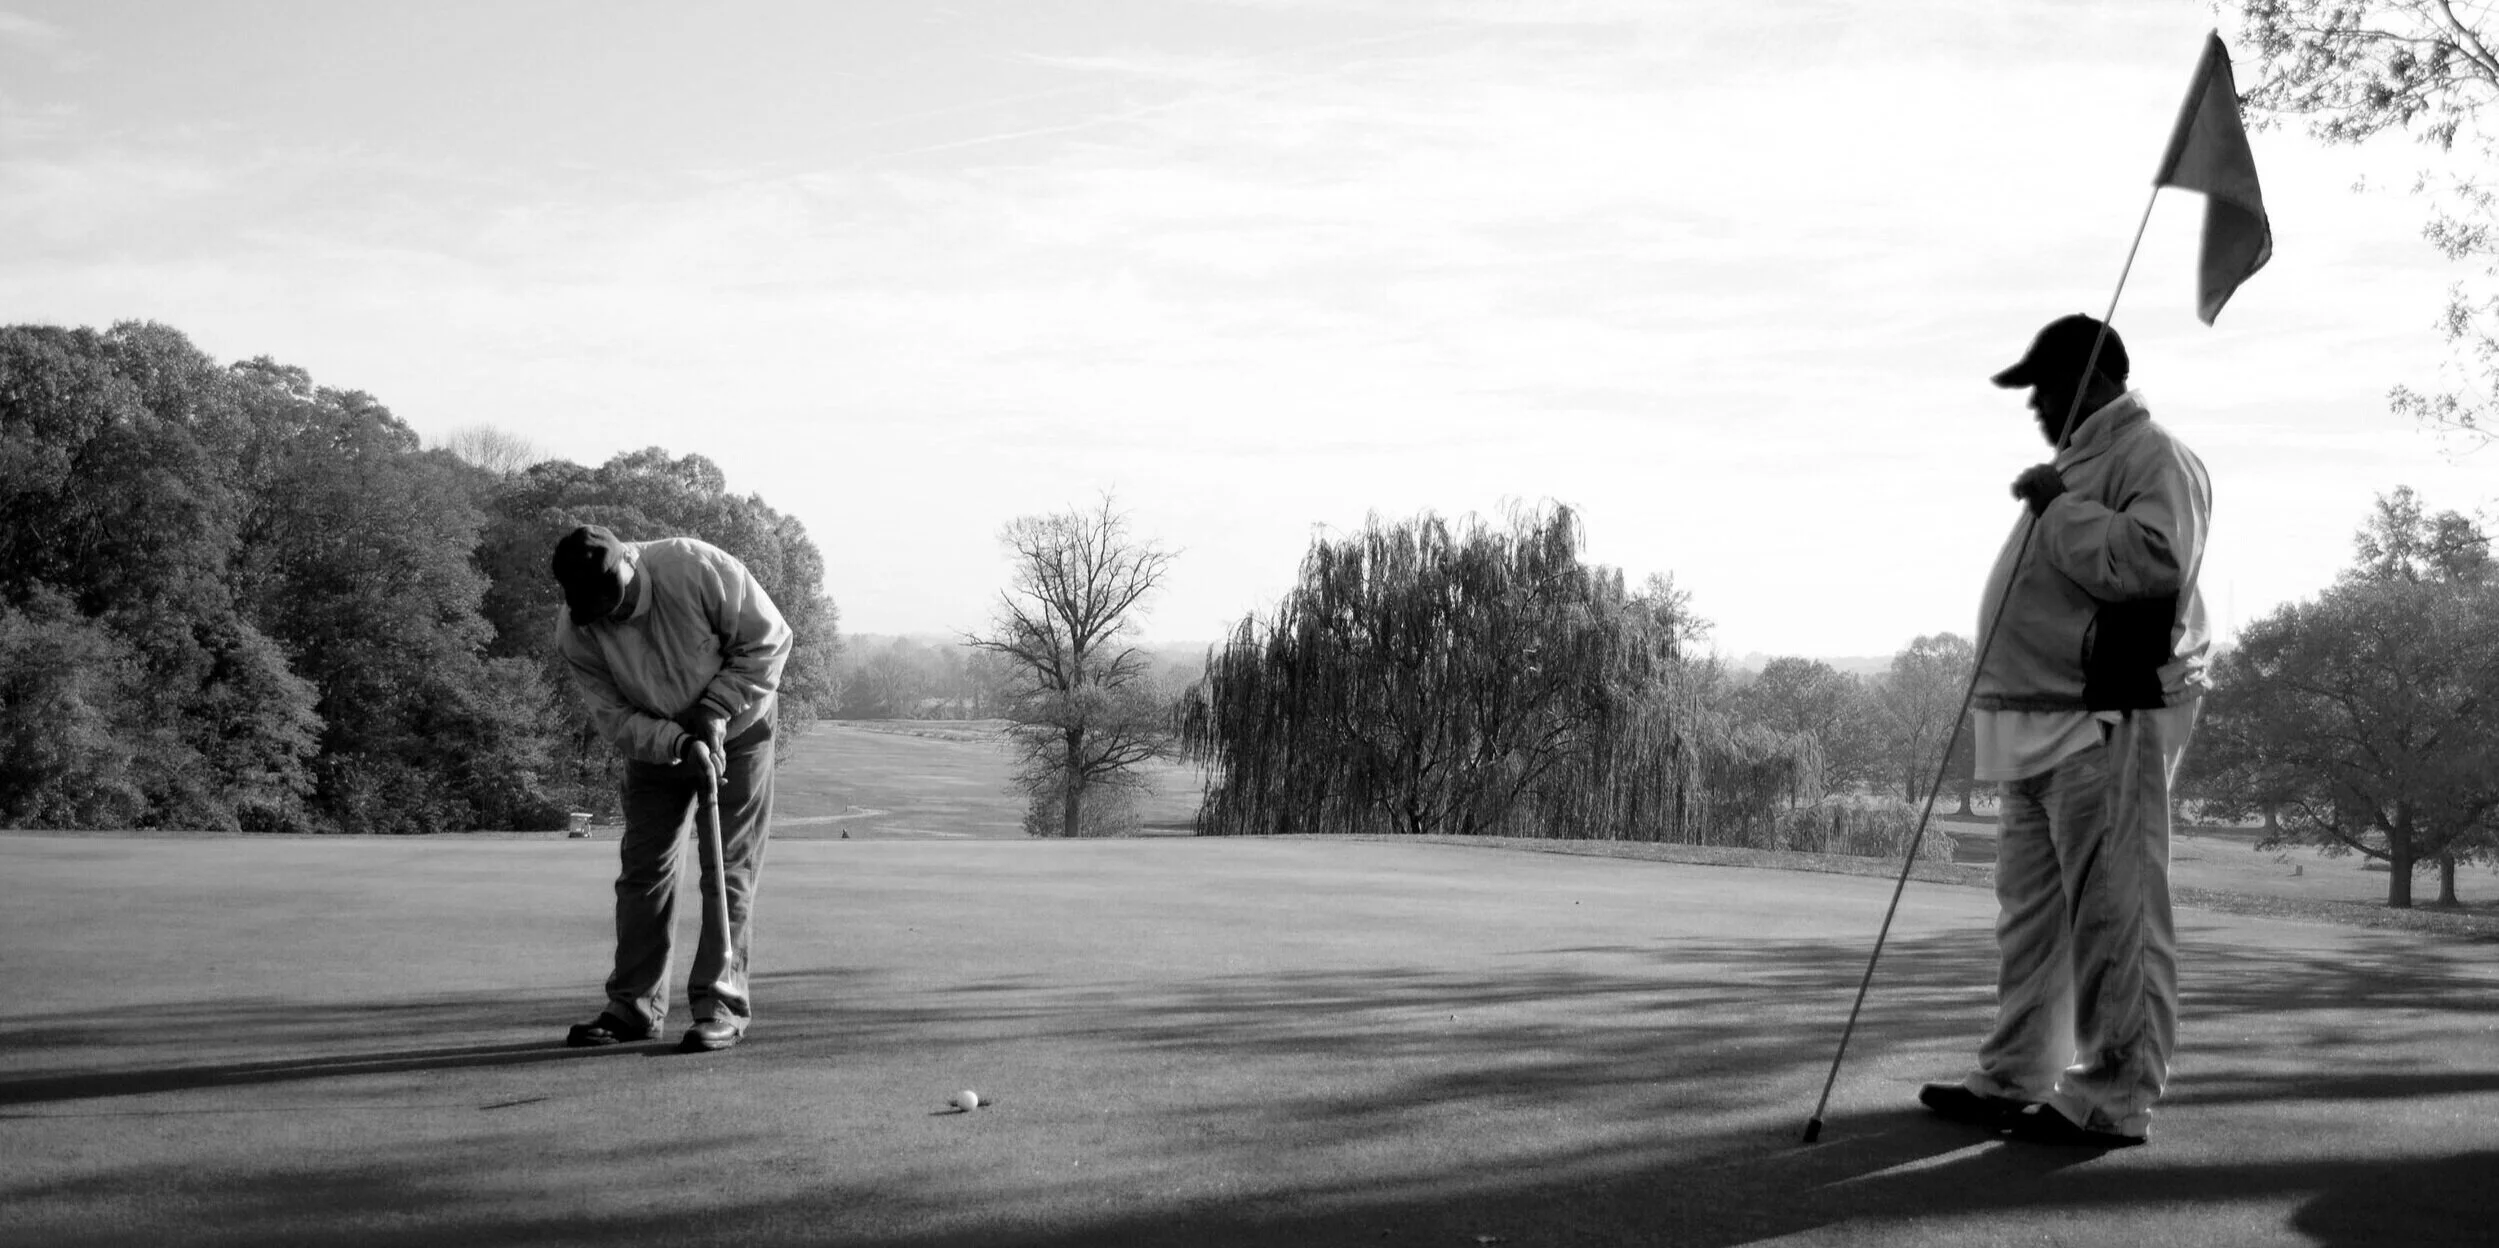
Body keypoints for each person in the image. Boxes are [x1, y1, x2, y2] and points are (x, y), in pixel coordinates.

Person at [1919, 314, 2212, 1147]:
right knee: (2030, 918)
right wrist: (2060, 501)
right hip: (2032, 720)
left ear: (2091, 382)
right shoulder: (2079, 465)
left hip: (2105, 715)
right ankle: (2016, 1074)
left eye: (2045, 388)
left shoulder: (2153, 455)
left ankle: (2114, 1098)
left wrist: (2058, 509)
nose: (2036, 406)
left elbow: (2152, 565)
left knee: (2115, 914)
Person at [549, 524, 792, 1053]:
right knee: (644, 872)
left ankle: (721, 1007)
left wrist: (715, 710)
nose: (607, 615)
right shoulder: (577, 630)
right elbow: (615, 717)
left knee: (726, 869)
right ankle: (633, 1007)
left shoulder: (693, 567)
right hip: (656, 743)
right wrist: (678, 742)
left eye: (611, 598)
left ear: (628, 563)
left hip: (740, 731)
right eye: (591, 607)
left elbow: (770, 640)